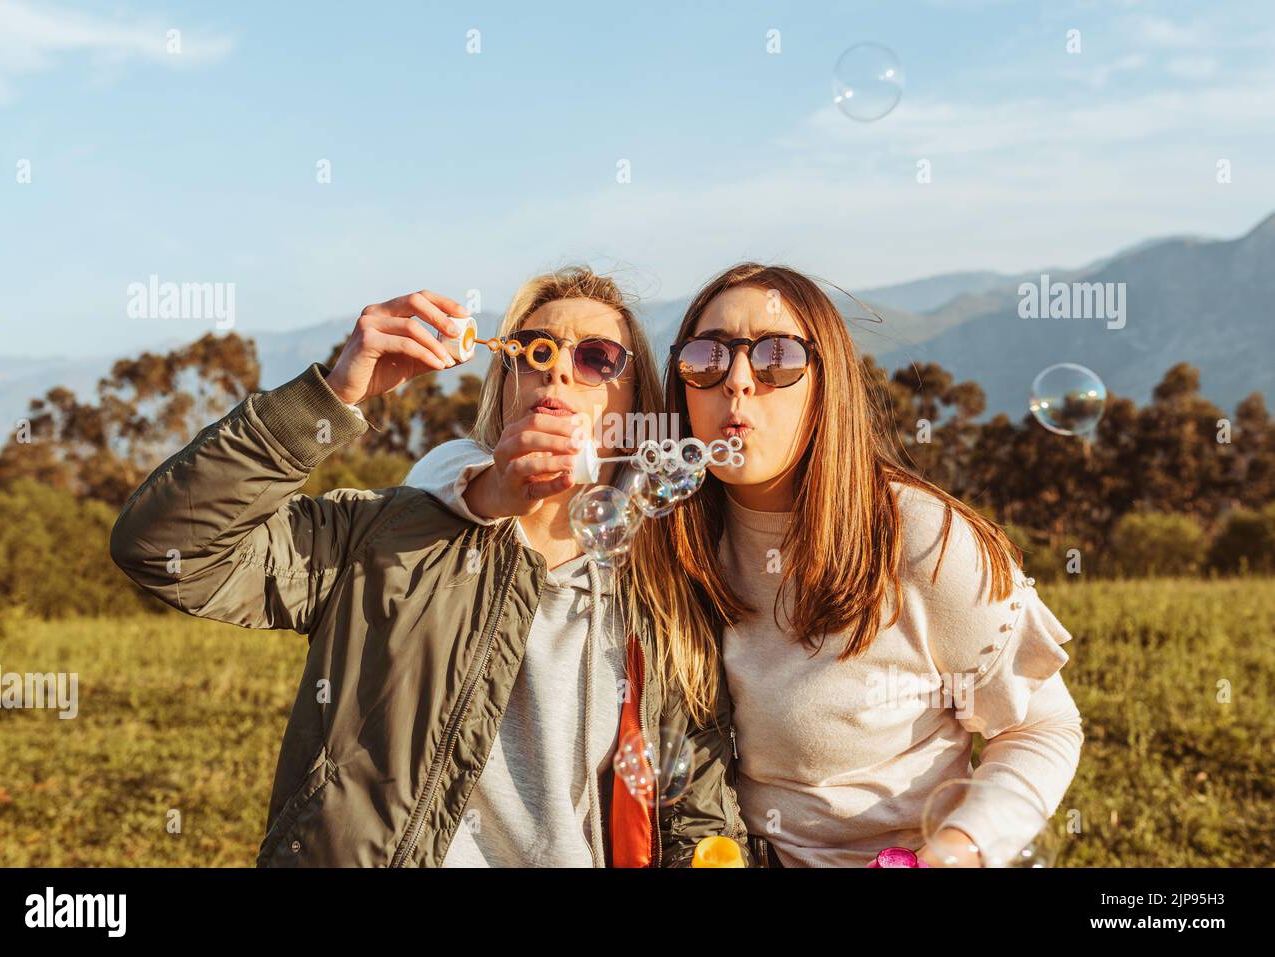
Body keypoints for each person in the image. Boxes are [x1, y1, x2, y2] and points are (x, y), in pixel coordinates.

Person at [417, 262, 1084, 868]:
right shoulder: (666, 524)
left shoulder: (917, 535)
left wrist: (955, 851)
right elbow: (456, 469)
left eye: (776, 357)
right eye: (706, 358)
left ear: (828, 384)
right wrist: (479, 482)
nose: (738, 378)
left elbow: (1041, 724)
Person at [110, 268, 746, 867]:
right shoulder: (386, 540)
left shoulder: (666, 597)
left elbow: (694, 819)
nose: (556, 376)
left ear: (635, 412)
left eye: (597, 359)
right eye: (534, 350)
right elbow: (168, 549)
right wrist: (331, 396)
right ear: (505, 385)